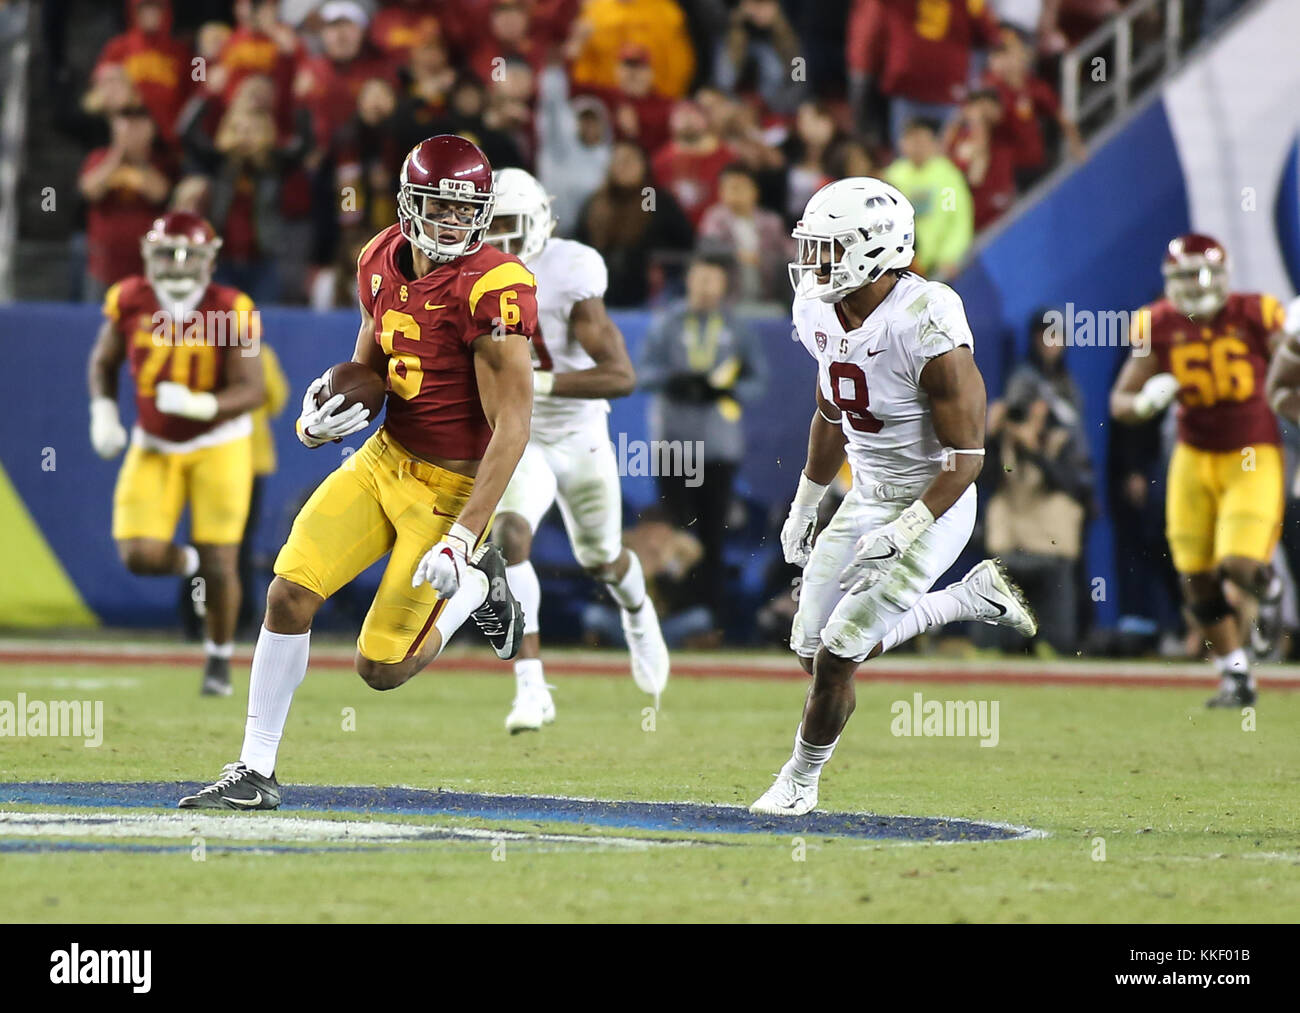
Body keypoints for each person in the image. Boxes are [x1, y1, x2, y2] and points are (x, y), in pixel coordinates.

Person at [178, 135, 536, 810]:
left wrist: (463, 537)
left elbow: (513, 427)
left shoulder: (496, 287)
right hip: (383, 460)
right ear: (409, 204)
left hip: (451, 488)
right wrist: (323, 416)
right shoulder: (379, 258)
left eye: (468, 210)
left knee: (380, 667)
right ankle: (255, 769)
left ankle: (477, 590)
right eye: (440, 206)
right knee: (288, 591)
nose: (455, 223)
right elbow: (368, 371)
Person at [751, 177, 1036, 816]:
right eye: (813, 247)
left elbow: (968, 459)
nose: (813, 263)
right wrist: (806, 502)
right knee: (809, 648)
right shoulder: (817, 310)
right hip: (867, 495)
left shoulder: (926, 317)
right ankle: (963, 600)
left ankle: (799, 781)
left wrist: (906, 529)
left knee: (838, 653)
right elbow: (832, 408)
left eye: (830, 249)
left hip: (934, 503)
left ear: (877, 250)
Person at [486, 168, 670, 732]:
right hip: (520, 434)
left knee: (602, 559)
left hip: (580, 431)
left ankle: (638, 613)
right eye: (493, 229)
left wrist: (536, 383)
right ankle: (532, 685)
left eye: (513, 228)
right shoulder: (465, 271)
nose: (504, 243)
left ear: (543, 221)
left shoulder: (570, 269)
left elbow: (620, 375)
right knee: (509, 538)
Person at [87, 212, 266, 696]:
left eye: (189, 253)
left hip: (219, 443)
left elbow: (253, 388)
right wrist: (103, 412)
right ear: (150, 254)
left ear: (211, 258)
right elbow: (104, 362)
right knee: (139, 555)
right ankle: (191, 564)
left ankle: (219, 659)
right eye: (169, 252)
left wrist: (200, 403)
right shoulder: (129, 298)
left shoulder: (230, 307)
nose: (179, 263)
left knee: (223, 562)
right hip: (154, 443)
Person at [1111, 234, 1287, 708]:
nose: (1195, 284)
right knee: (1194, 574)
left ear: (1224, 274)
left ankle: (1269, 588)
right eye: (1184, 276)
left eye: (1202, 273)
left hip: (1251, 452)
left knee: (1238, 562)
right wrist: (1145, 402)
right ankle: (1235, 674)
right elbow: (1120, 400)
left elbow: (1289, 373)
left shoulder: (1255, 314)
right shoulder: (1160, 323)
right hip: (1193, 455)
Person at [638, 251, 769, 633]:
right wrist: (673, 380)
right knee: (676, 534)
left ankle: (712, 624)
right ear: (691, 279)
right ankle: (676, 618)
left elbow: (758, 382)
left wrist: (725, 388)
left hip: (718, 446)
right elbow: (642, 372)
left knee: (713, 534)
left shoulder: (737, 327)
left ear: (725, 285)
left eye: (716, 280)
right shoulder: (668, 323)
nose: (708, 288)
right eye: (702, 279)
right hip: (674, 445)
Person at [883, 118, 974, 277]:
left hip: (937, 264)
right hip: (904, 264)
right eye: (912, 141)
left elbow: (957, 218)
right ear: (901, 144)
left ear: (933, 143)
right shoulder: (893, 175)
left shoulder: (947, 176)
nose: (917, 148)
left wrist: (949, 255)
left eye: (922, 142)